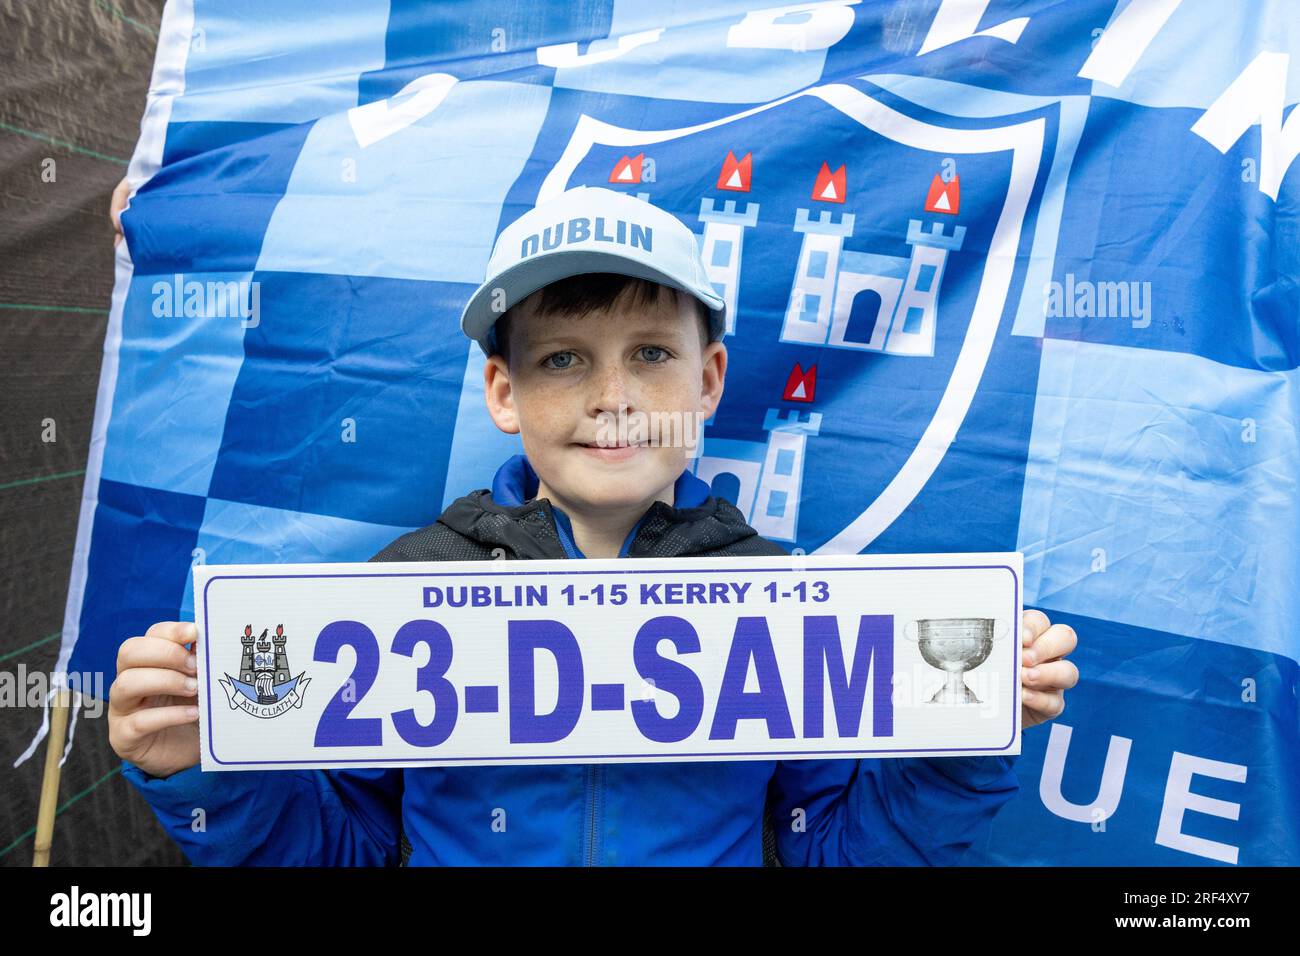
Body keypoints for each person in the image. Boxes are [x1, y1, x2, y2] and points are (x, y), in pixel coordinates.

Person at [108, 186, 1079, 865]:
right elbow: (335, 850)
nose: (614, 398)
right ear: (502, 390)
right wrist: (205, 770)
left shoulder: (784, 600)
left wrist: (963, 737)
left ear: (705, 383)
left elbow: (838, 849)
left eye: (650, 352)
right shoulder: (402, 585)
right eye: (564, 359)